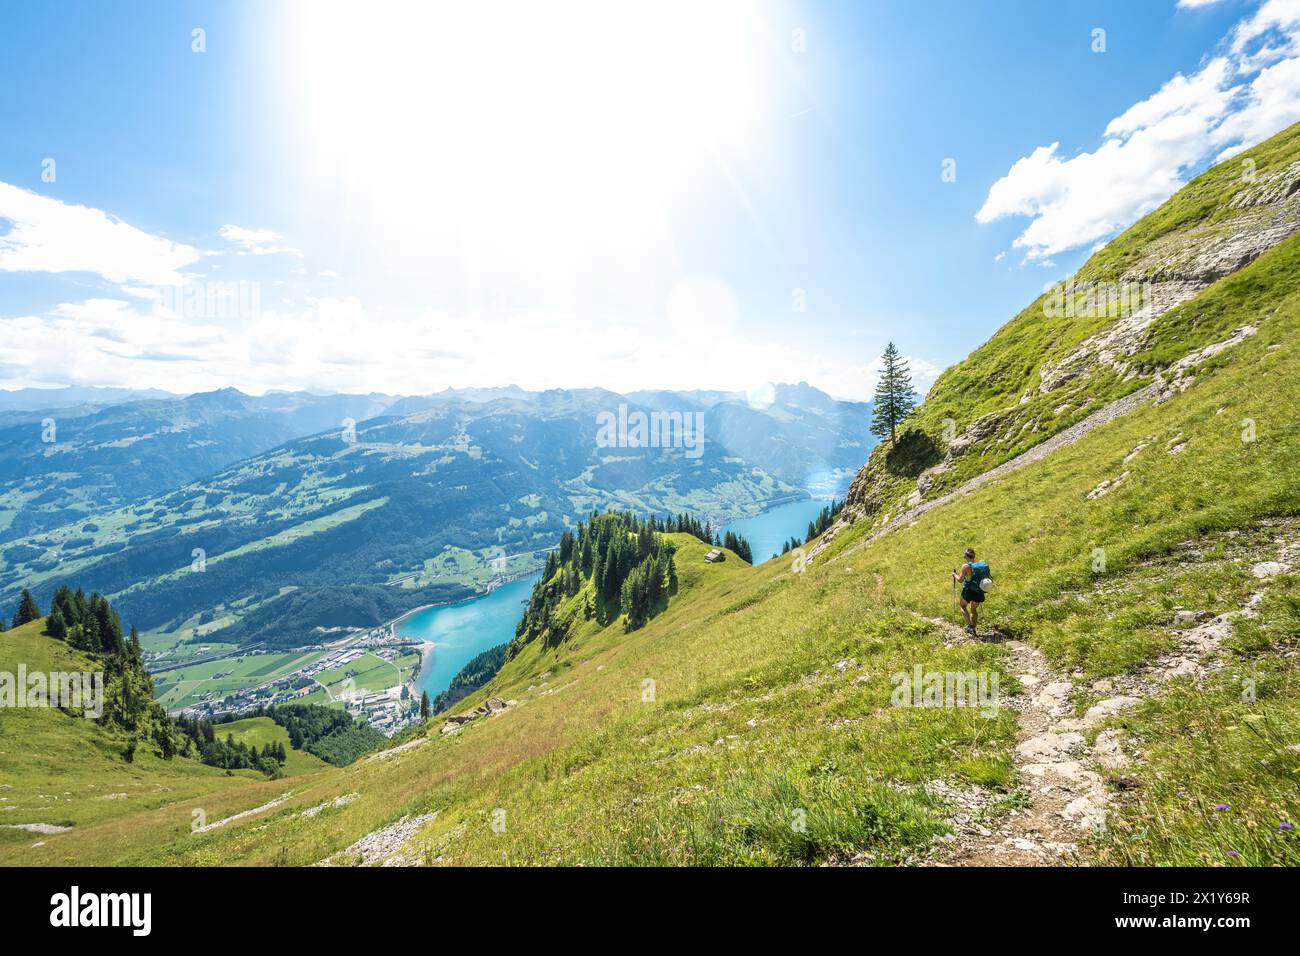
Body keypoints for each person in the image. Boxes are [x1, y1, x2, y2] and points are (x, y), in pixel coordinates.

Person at [952, 547, 990, 636]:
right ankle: (974, 628)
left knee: (962, 606)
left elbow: (960, 580)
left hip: (968, 591)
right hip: (979, 591)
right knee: (974, 610)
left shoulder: (966, 566)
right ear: (974, 556)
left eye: (964, 556)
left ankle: (969, 627)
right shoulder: (980, 565)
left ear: (966, 556)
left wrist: (954, 575)